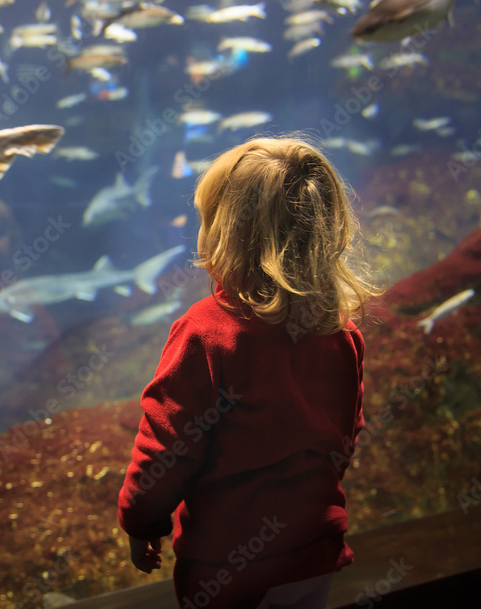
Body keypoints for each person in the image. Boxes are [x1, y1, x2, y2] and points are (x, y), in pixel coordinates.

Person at [117, 137, 380, 609]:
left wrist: (142, 523)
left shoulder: (206, 334)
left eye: (206, 220)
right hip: (315, 550)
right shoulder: (341, 332)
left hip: (227, 567)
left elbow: (166, 448)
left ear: (225, 234)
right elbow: (346, 435)